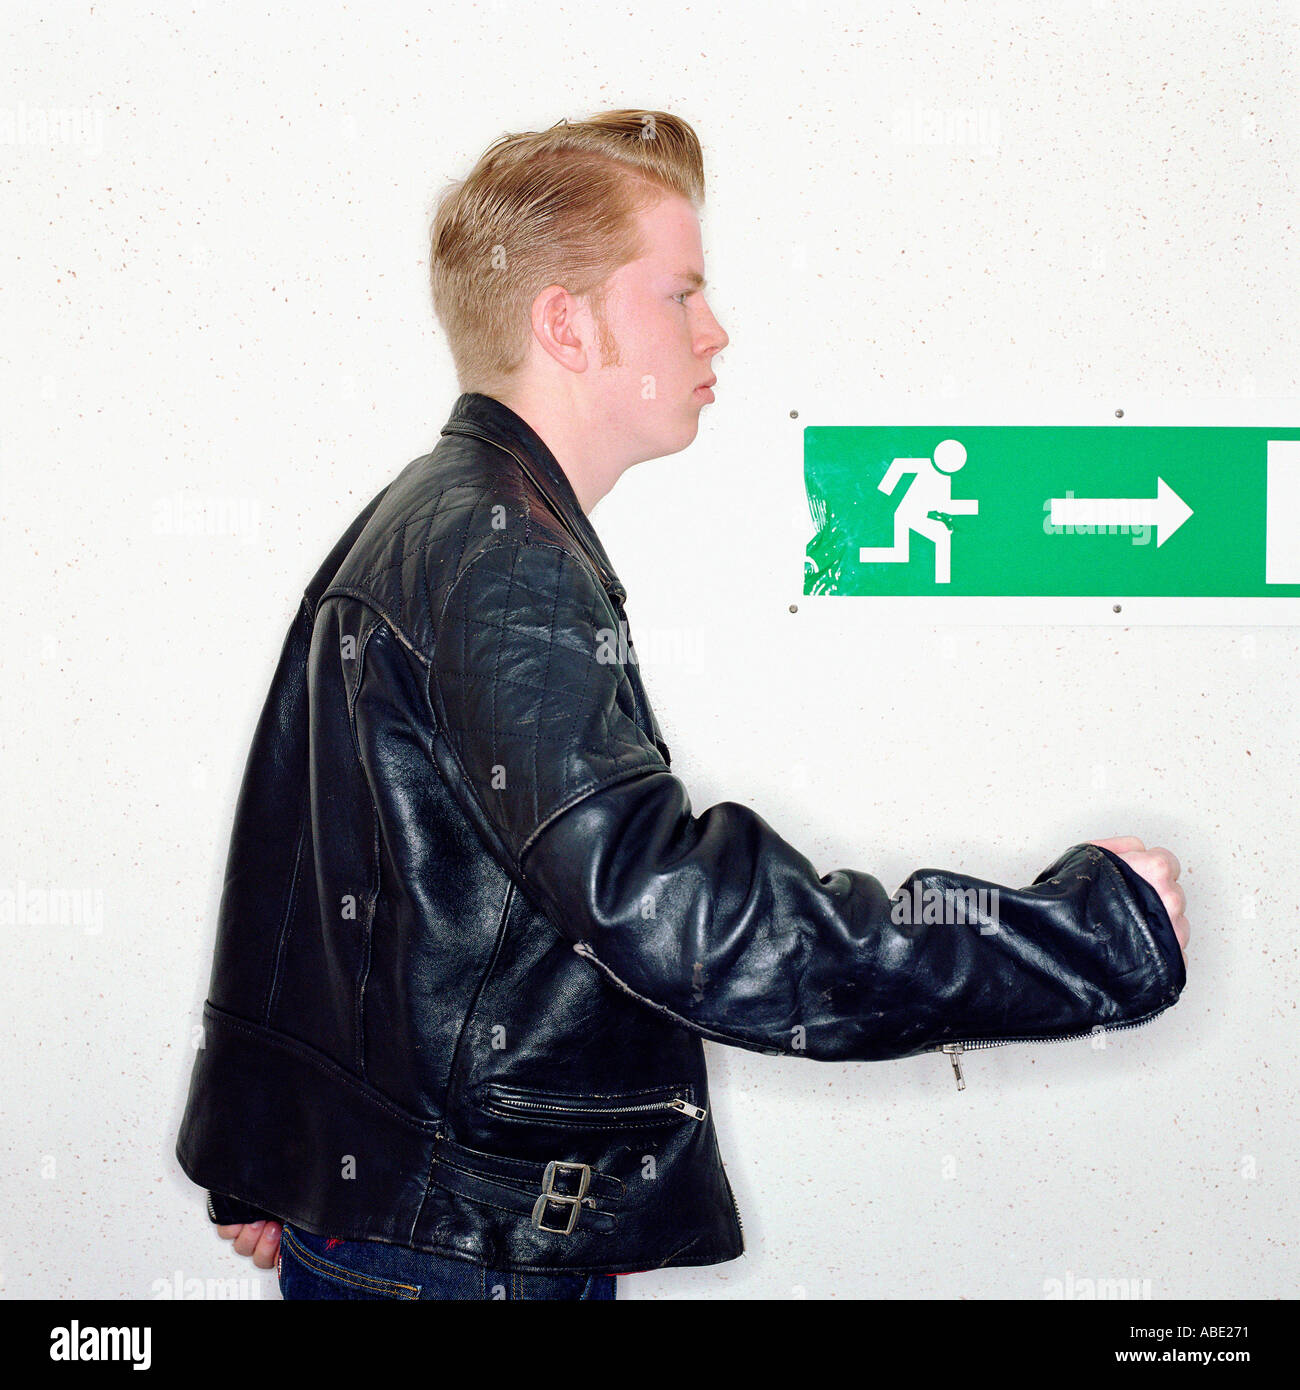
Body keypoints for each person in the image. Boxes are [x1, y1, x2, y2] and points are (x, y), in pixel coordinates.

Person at [176, 109, 1189, 1301]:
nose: (717, 329)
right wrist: (1083, 935)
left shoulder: (431, 515)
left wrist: (275, 1158)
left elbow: (312, 878)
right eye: (679, 293)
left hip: (409, 1238)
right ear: (566, 321)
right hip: (471, 1265)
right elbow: (674, 911)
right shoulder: (502, 556)